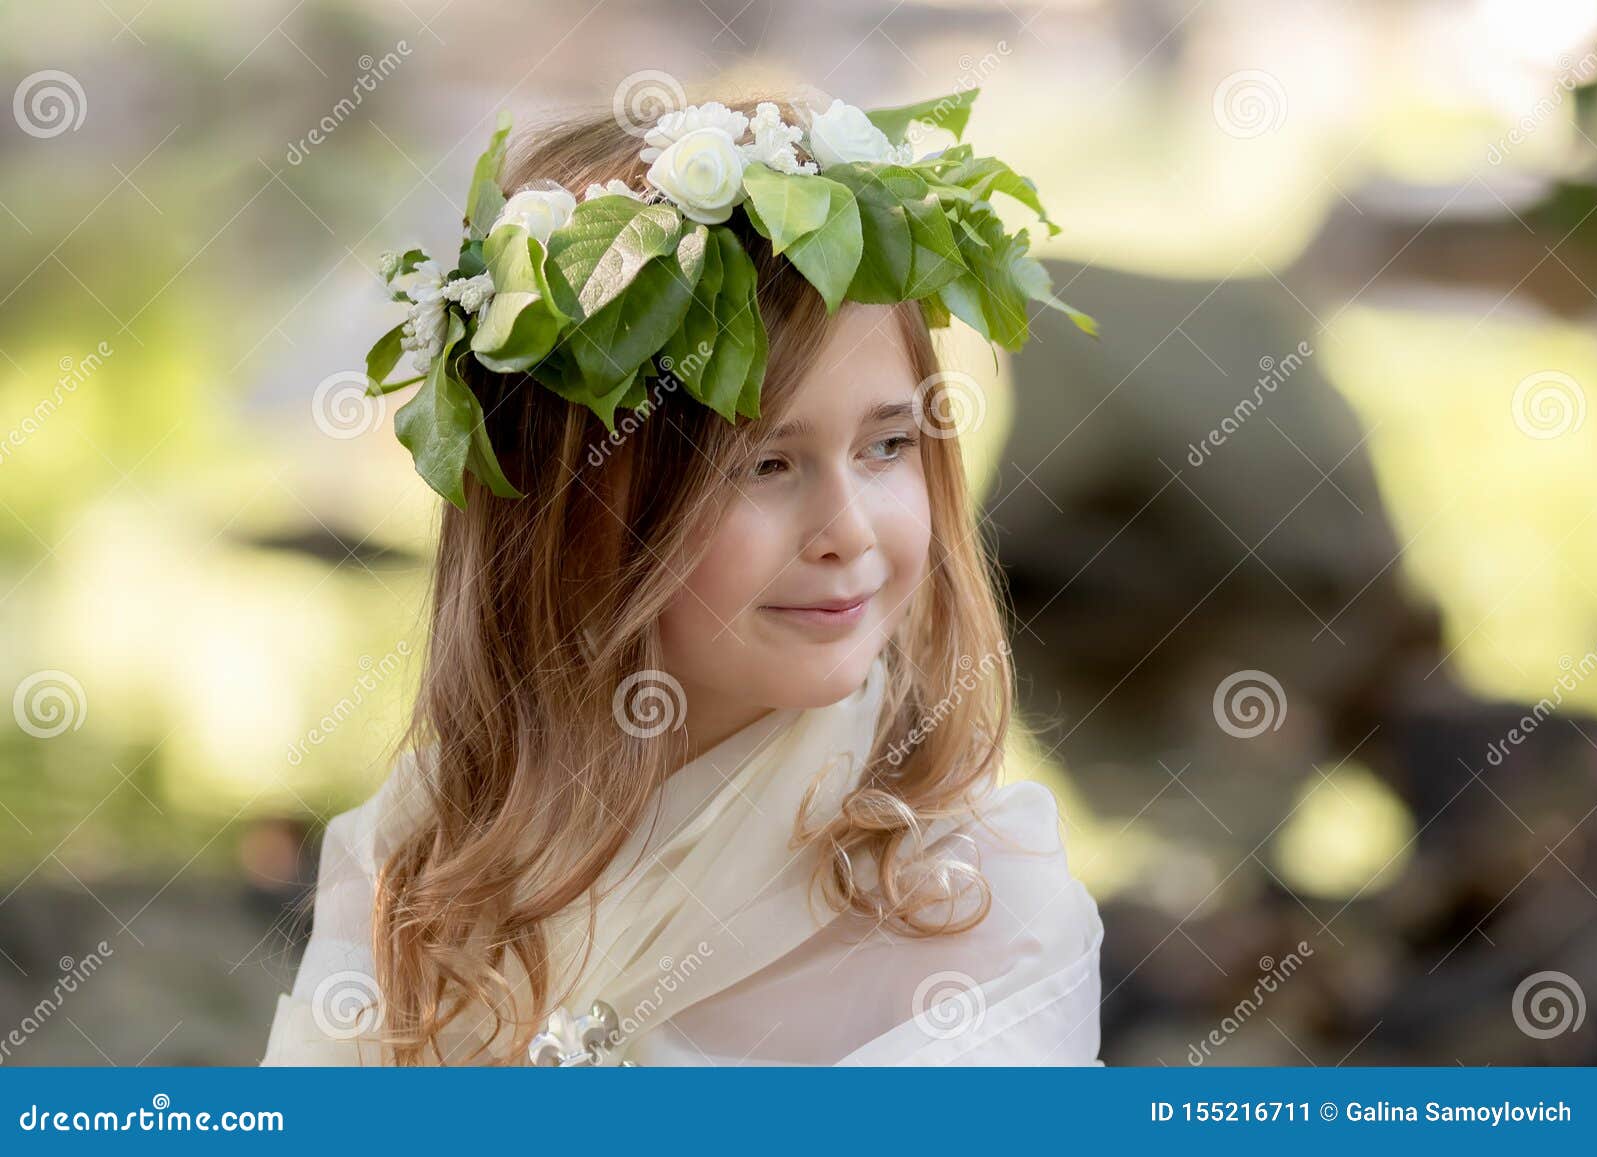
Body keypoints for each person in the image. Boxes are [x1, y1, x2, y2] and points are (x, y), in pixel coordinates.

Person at [260, 88, 1103, 1066]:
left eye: (886, 444)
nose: (846, 530)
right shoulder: (423, 868)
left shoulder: (978, 904)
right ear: (578, 506)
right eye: (766, 465)